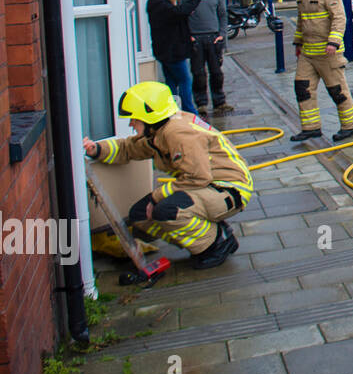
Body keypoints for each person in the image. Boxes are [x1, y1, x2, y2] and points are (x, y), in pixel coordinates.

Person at [83, 81, 252, 270]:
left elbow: (197, 177)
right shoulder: (160, 131)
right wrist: (96, 149)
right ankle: (209, 236)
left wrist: (157, 197)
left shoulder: (177, 133)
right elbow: (129, 148)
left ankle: (216, 243)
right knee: (139, 215)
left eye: (134, 118)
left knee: (167, 210)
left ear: (149, 116)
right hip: (208, 186)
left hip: (228, 188)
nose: (131, 123)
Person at [290, 0, 353, 142]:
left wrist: (333, 42)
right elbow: (301, 22)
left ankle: (349, 126)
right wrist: (298, 43)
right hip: (308, 53)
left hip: (328, 53)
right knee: (302, 88)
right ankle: (311, 128)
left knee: (337, 91)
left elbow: (340, 17)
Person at [146, 0, 201, 116]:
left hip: (162, 51)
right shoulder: (162, 5)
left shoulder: (153, 4)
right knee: (184, 80)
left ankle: (173, 111)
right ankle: (189, 111)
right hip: (173, 51)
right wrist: (196, 0)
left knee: (170, 81)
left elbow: (175, 16)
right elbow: (179, 12)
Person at [187, 0, 233, 115]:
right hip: (196, 40)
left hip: (213, 38)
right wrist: (189, 36)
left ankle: (220, 102)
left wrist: (221, 34)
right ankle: (201, 103)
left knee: (216, 73)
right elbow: (183, 17)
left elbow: (223, 15)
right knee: (198, 73)